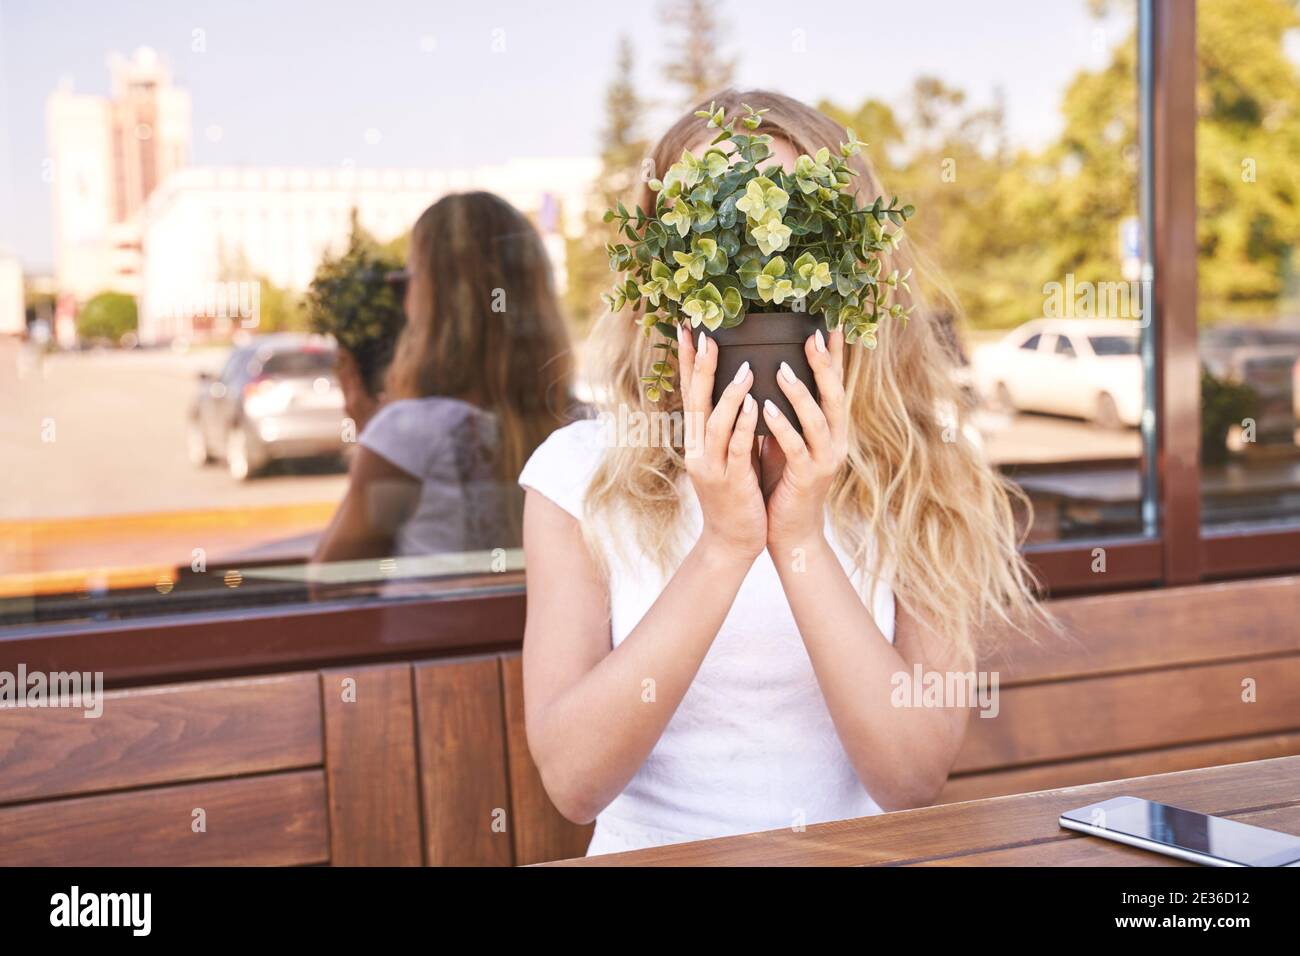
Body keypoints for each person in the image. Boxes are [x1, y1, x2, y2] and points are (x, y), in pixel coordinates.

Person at [518, 89, 1045, 856]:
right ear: (666, 280)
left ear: (853, 276)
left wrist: (798, 534)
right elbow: (573, 782)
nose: (761, 288)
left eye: (796, 249)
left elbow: (909, 776)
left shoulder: (925, 473)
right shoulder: (579, 477)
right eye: (721, 242)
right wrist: (725, 546)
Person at [314, 191, 574, 563]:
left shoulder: (410, 434)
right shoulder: (584, 427)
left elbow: (329, 585)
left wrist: (375, 443)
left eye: (407, 281)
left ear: (434, 301)